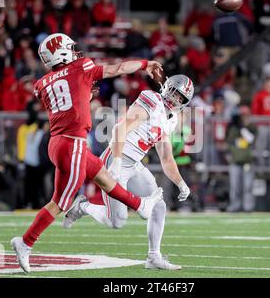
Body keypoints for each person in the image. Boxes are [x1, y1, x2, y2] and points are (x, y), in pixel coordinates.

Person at [10, 33, 163, 273]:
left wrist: (83, 94)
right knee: (60, 203)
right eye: (69, 48)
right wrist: (145, 64)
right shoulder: (81, 67)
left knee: (102, 175)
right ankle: (25, 242)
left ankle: (140, 205)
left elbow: (66, 100)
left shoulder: (42, 83)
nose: (75, 52)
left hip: (58, 143)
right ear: (61, 52)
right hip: (73, 143)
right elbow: (118, 68)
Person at [63, 75, 194, 270]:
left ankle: (153, 257)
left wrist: (181, 183)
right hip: (114, 158)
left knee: (158, 206)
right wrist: (115, 162)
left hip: (134, 164)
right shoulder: (151, 99)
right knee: (117, 221)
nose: (175, 100)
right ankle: (83, 206)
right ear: (167, 87)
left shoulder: (171, 119)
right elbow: (119, 128)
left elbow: (166, 157)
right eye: (175, 93)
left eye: (180, 98)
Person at [225, 106, 257, 212]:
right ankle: (235, 205)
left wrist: (243, 128)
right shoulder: (234, 128)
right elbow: (230, 142)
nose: (244, 118)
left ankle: (248, 207)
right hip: (236, 160)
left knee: (248, 186)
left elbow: (251, 139)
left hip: (248, 161)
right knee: (235, 187)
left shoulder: (252, 127)